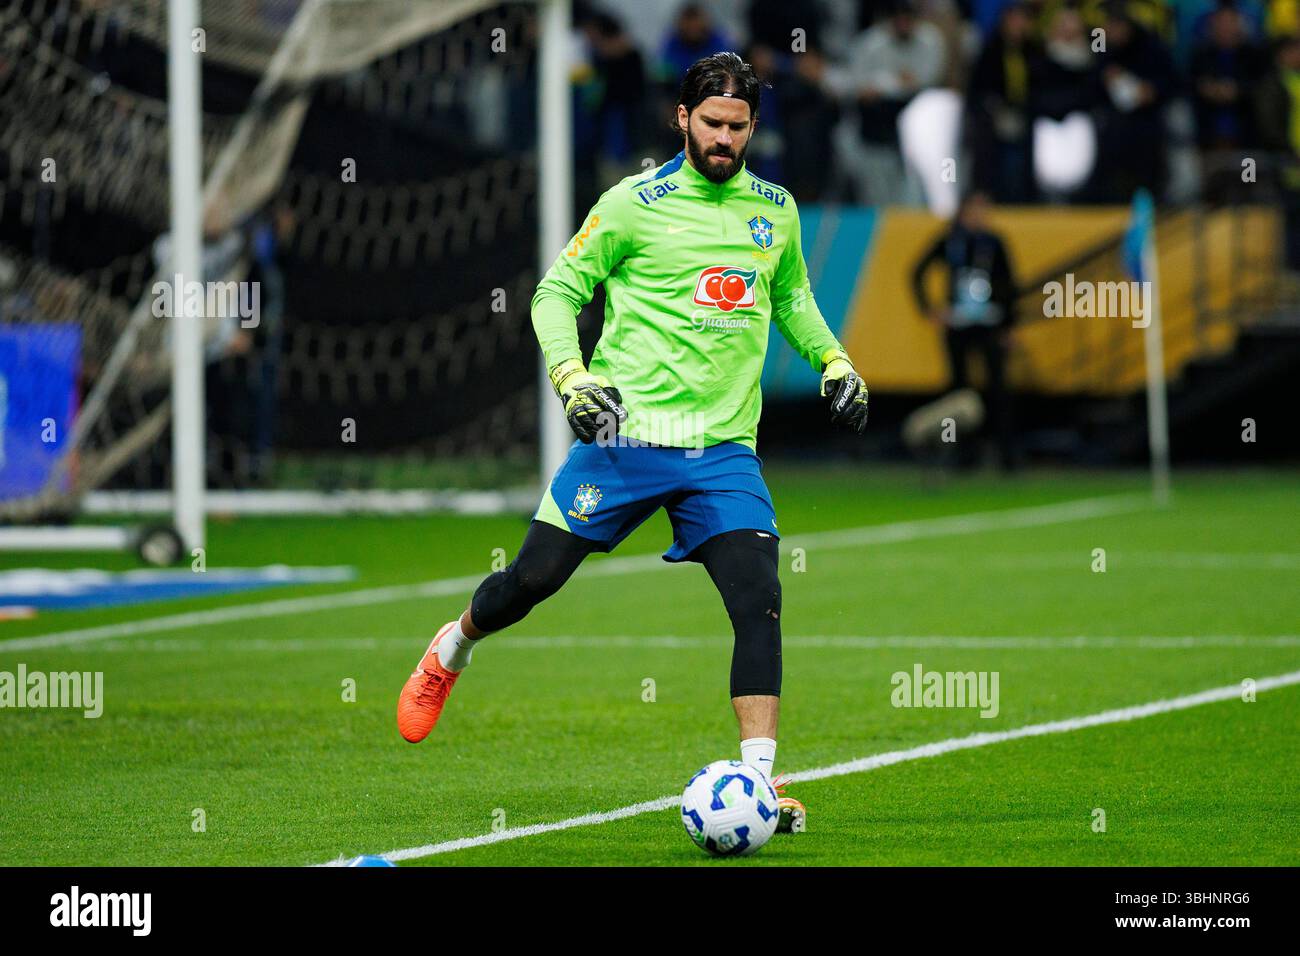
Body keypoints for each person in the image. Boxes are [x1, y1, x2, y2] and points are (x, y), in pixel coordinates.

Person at [396, 53, 870, 807]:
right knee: (532, 581)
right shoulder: (631, 204)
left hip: (721, 450)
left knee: (759, 597)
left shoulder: (775, 209)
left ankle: (753, 781)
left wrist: (835, 361)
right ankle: (451, 648)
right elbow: (555, 294)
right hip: (626, 438)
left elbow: (796, 298)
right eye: (711, 124)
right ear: (682, 118)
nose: (724, 139)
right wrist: (572, 378)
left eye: (738, 128)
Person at [911, 190, 1018, 469]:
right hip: (958, 325)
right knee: (958, 394)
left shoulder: (994, 243)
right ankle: (962, 455)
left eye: (984, 211)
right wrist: (929, 309)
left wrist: (1009, 326)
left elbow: (1009, 286)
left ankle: (1005, 454)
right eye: (975, 210)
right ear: (964, 212)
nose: (980, 217)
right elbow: (917, 271)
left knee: (998, 390)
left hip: (989, 325)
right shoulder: (951, 240)